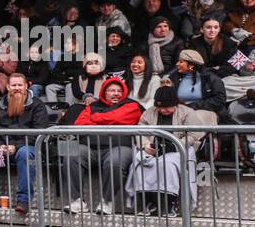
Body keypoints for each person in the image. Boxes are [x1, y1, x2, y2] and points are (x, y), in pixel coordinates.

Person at [59, 75, 143, 215]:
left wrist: (95, 118)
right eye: (111, 90)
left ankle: (107, 201)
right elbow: (80, 124)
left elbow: (119, 118)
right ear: (104, 92)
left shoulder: (132, 105)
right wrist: (110, 121)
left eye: (119, 90)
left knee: (115, 161)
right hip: (90, 147)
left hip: (119, 147)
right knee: (70, 152)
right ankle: (77, 201)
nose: (116, 93)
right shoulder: (93, 106)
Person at [125, 84, 214, 216]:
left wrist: (175, 144)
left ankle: (168, 203)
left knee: (166, 164)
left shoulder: (187, 112)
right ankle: (147, 201)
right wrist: (145, 145)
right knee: (140, 162)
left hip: (178, 149)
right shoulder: (149, 112)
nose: (162, 110)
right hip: (153, 148)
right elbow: (140, 131)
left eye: (166, 107)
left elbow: (194, 134)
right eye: (159, 107)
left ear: (175, 104)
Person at [0, 72, 45, 215]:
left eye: (19, 85)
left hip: (25, 147)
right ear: (8, 87)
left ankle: (23, 201)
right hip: (2, 148)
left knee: (24, 153)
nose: (16, 88)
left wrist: (17, 146)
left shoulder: (37, 105)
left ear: (26, 86)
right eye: (13, 85)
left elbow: (39, 132)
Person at [170, 48, 226, 116]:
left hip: (207, 112)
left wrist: (192, 106)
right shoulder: (173, 77)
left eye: (181, 62)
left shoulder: (211, 79)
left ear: (191, 66)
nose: (177, 64)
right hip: (179, 112)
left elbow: (219, 100)